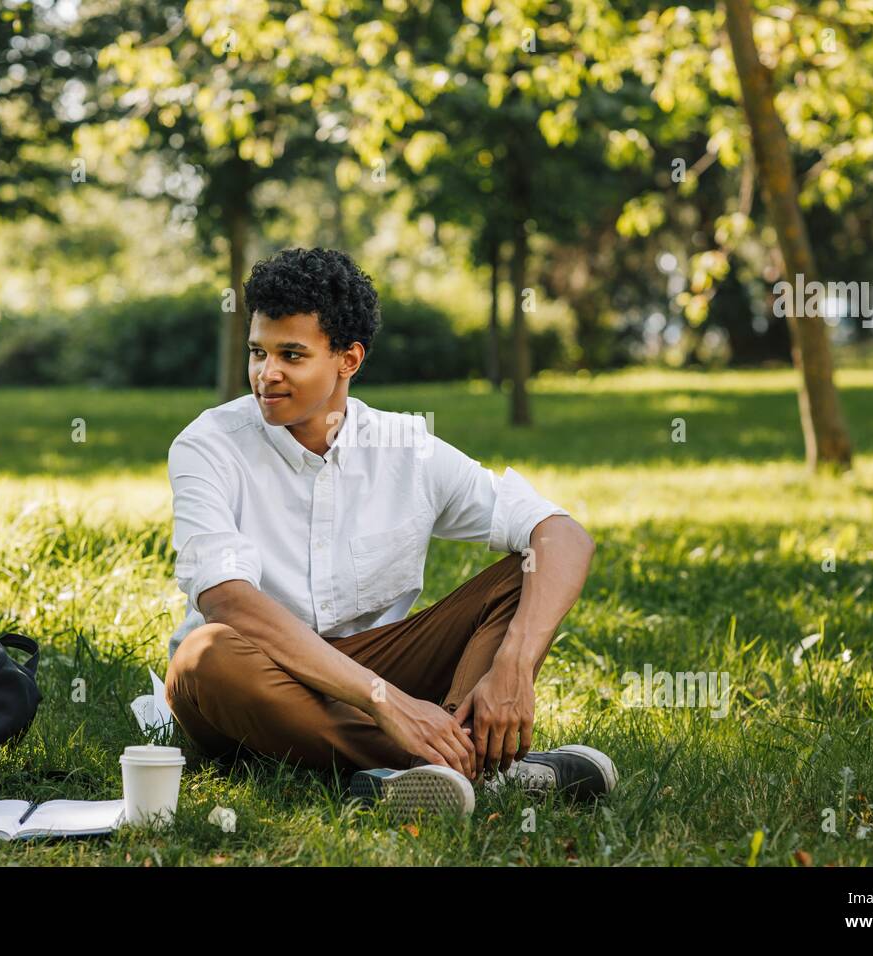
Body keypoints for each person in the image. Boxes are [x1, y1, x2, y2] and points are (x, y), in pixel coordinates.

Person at [163, 247, 618, 816]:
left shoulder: (406, 448)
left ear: (348, 359)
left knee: (523, 574)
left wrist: (515, 665)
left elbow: (564, 535)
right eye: (258, 352)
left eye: (291, 355)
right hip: (253, 677)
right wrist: (389, 704)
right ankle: (466, 767)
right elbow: (230, 601)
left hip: (376, 665)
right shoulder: (208, 445)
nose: (266, 374)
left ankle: (426, 769)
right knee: (206, 652)